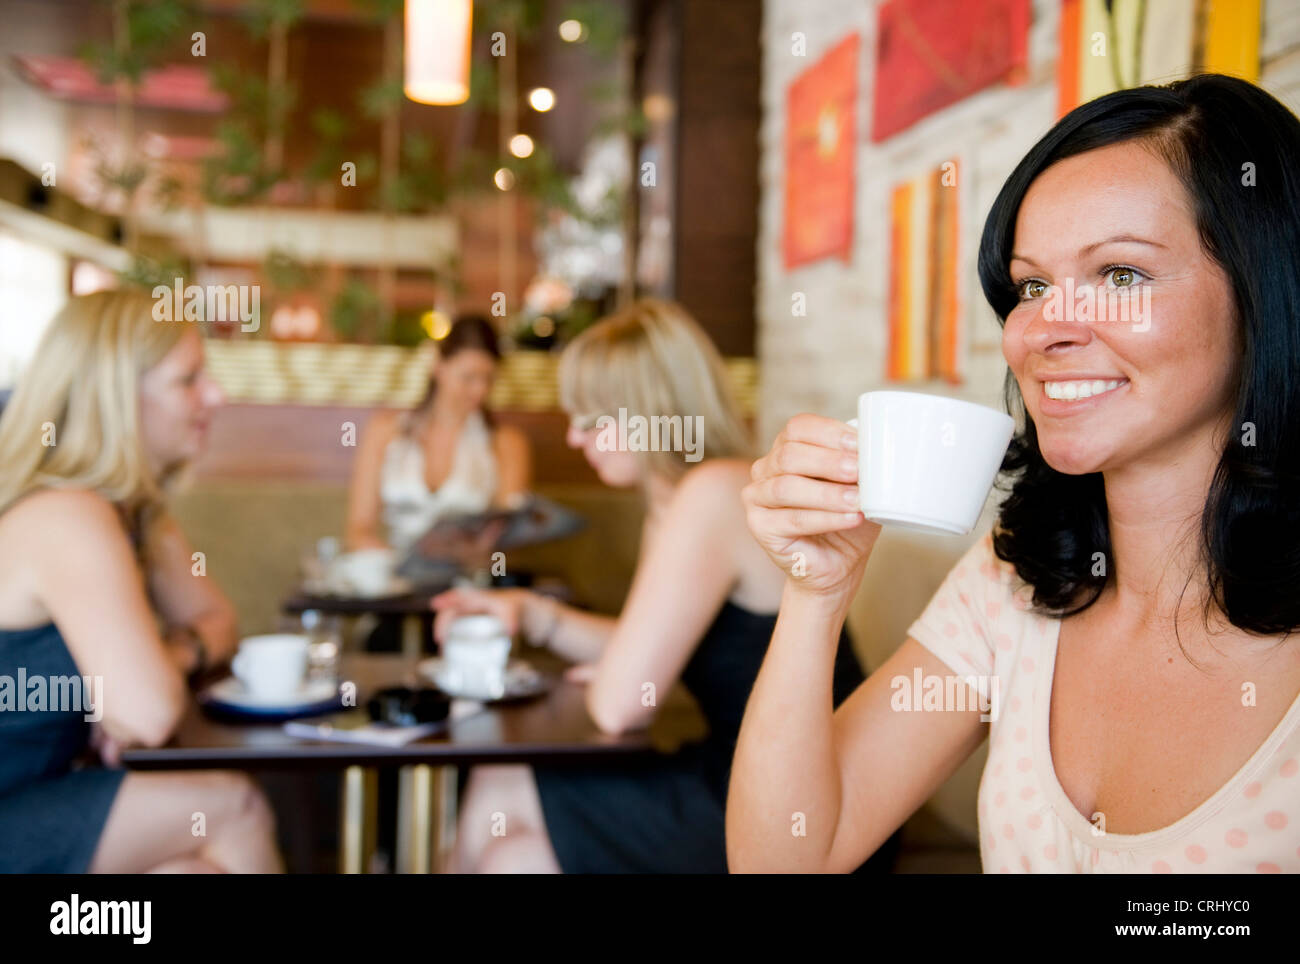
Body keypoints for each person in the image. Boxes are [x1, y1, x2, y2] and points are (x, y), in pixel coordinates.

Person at [730, 73, 1300, 873]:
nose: (1043, 330)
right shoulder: (1017, 578)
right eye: (1033, 285)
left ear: (1266, 289)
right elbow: (787, 859)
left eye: (1120, 275)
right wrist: (816, 593)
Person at [433, 298, 888, 873]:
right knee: (514, 854)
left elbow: (622, 706)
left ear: (645, 414)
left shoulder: (713, 495)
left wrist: (616, 672)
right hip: (753, 775)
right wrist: (530, 613)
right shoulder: (684, 500)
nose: (577, 438)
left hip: (801, 807)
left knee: (503, 795)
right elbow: (649, 647)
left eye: (591, 419)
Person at [0, 288, 282, 873]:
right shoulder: (68, 516)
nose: (216, 395)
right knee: (235, 805)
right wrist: (135, 683)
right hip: (15, 803)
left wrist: (170, 653)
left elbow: (217, 621)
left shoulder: (132, 514)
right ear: (118, 397)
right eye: (188, 380)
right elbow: (149, 715)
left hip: (40, 793)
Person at [345, 314, 531, 559]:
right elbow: (358, 529)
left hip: (469, 581)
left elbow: (507, 536)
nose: (480, 390)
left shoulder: (507, 443)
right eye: (469, 378)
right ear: (438, 366)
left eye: (489, 379)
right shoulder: (384, 431)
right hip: (396, 577)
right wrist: (395, 566)